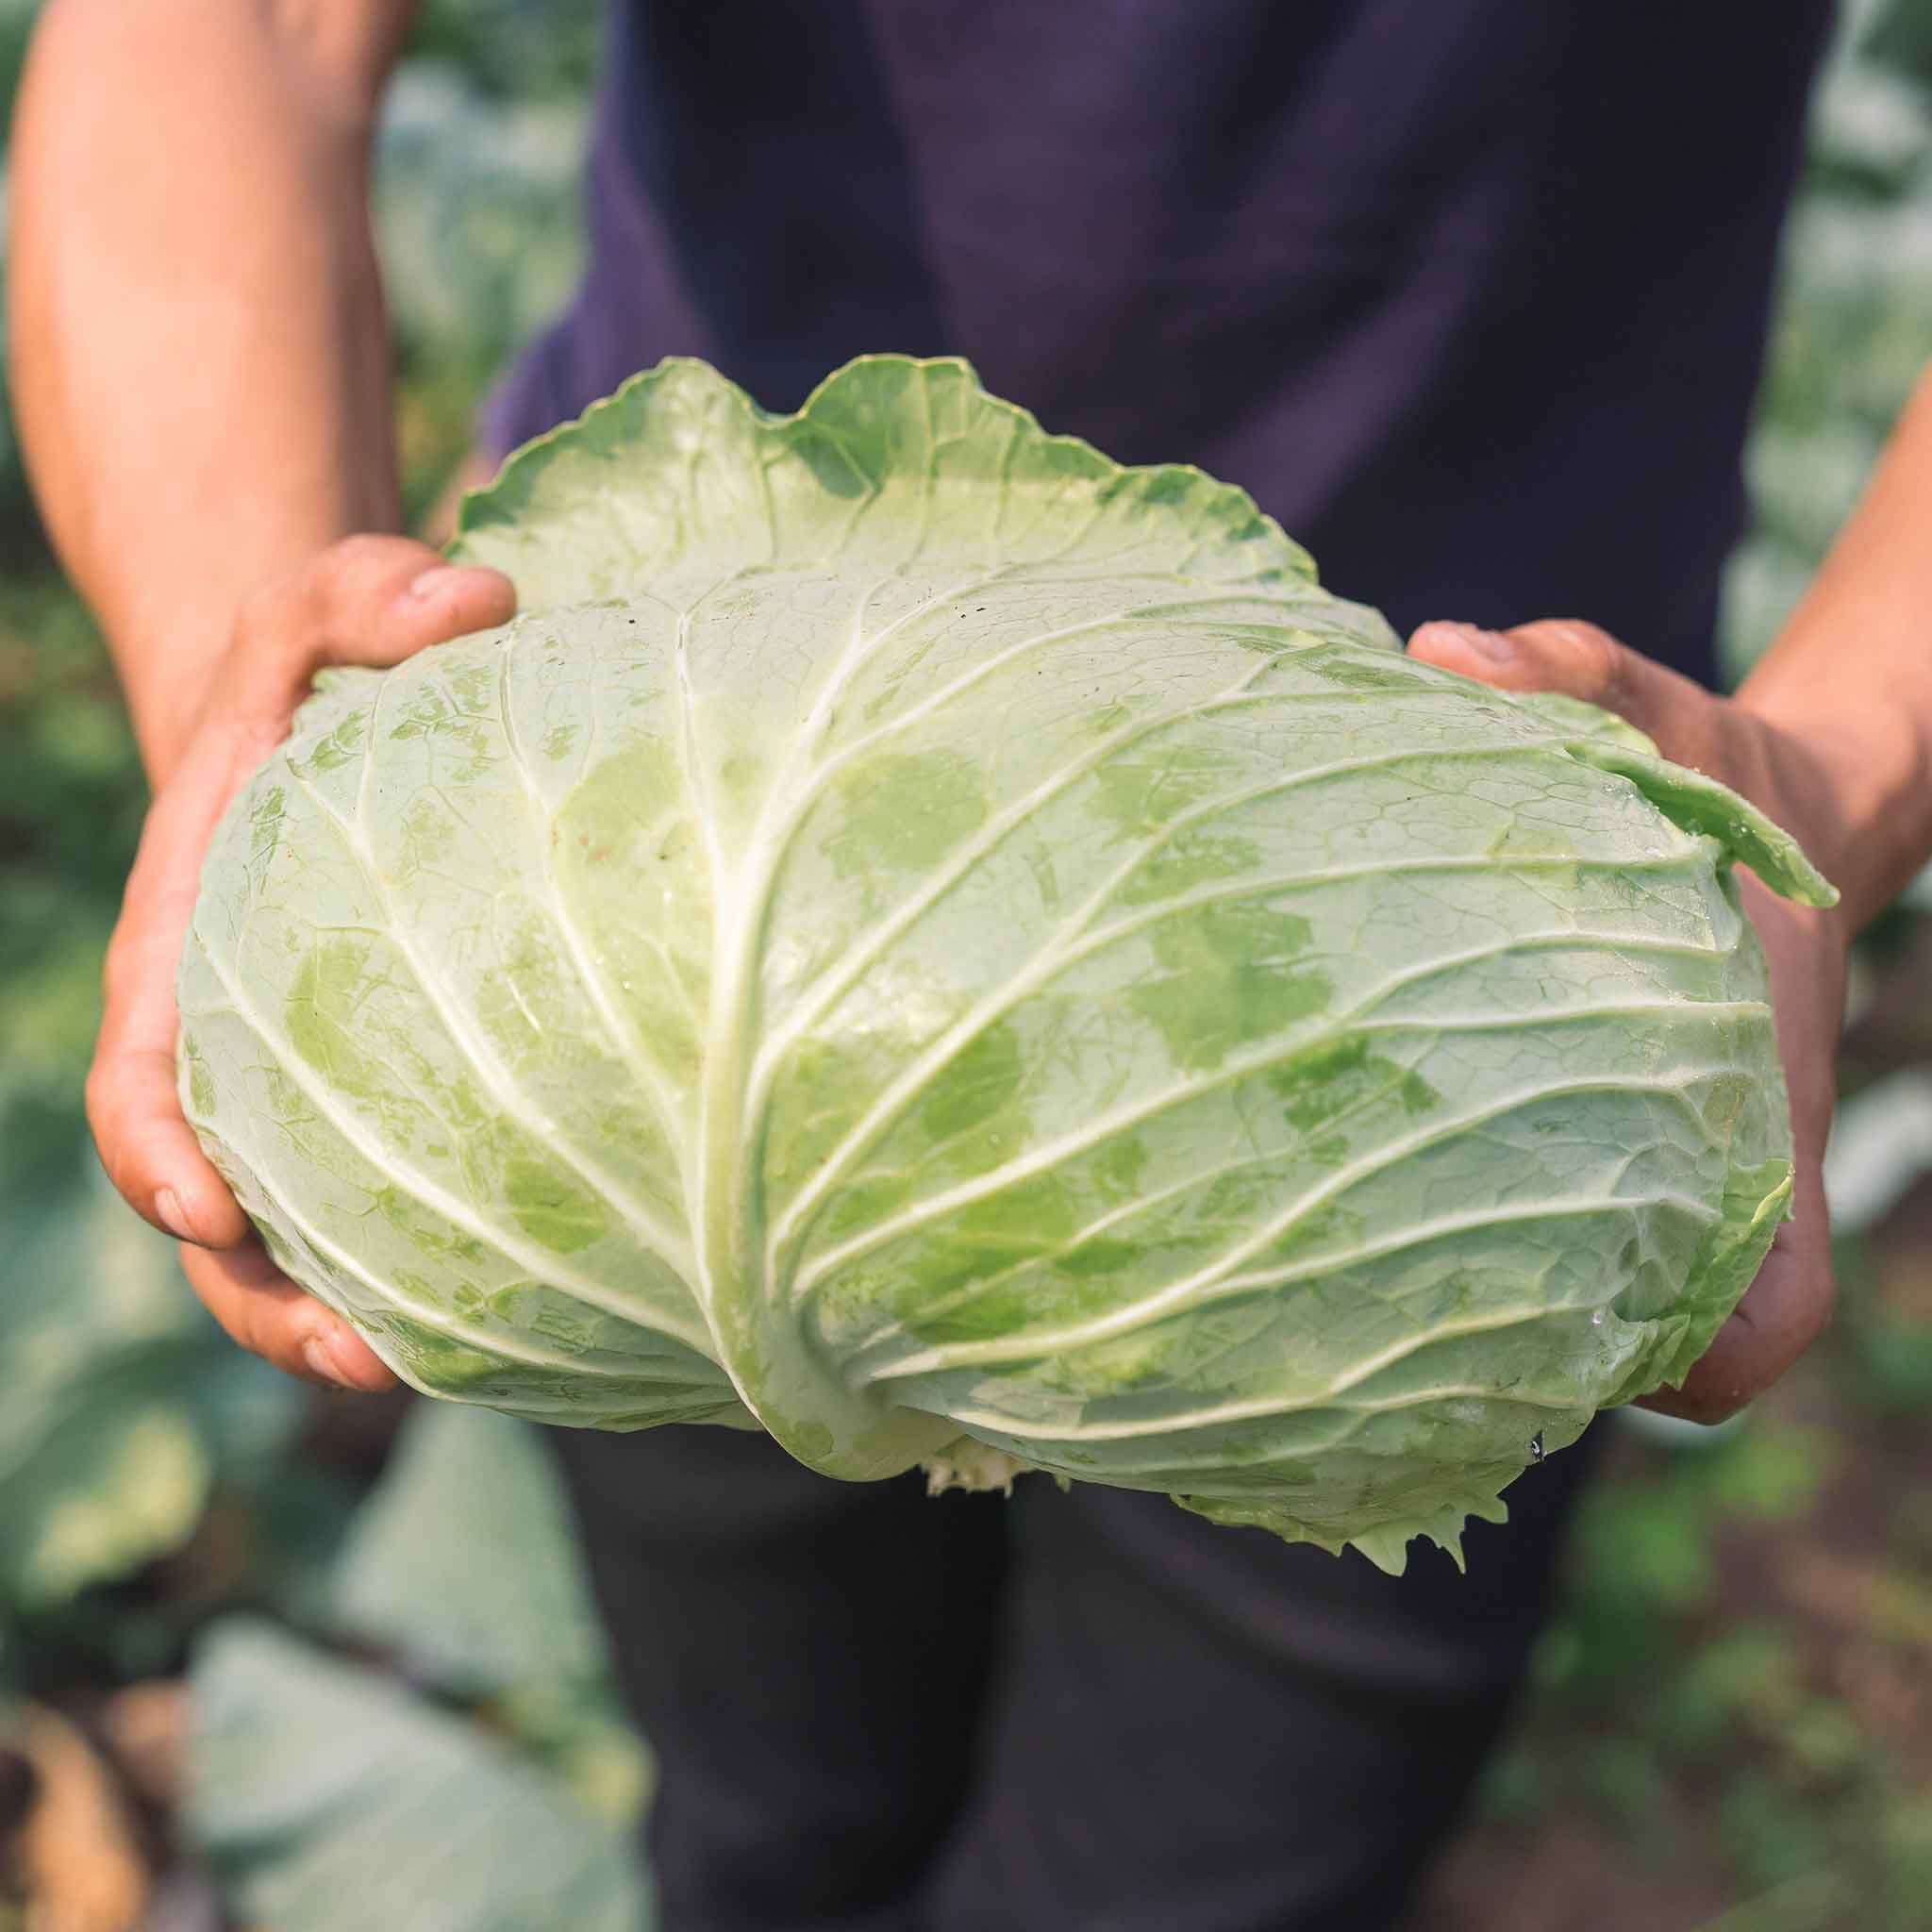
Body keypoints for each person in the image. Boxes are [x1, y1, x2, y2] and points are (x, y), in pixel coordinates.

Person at [12, 4, 1930, 1926]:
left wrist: (1837, 760)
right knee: (766, 1815)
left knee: (1204, 1878)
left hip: (1419, 959)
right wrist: (236, 709)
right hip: (643, 879)